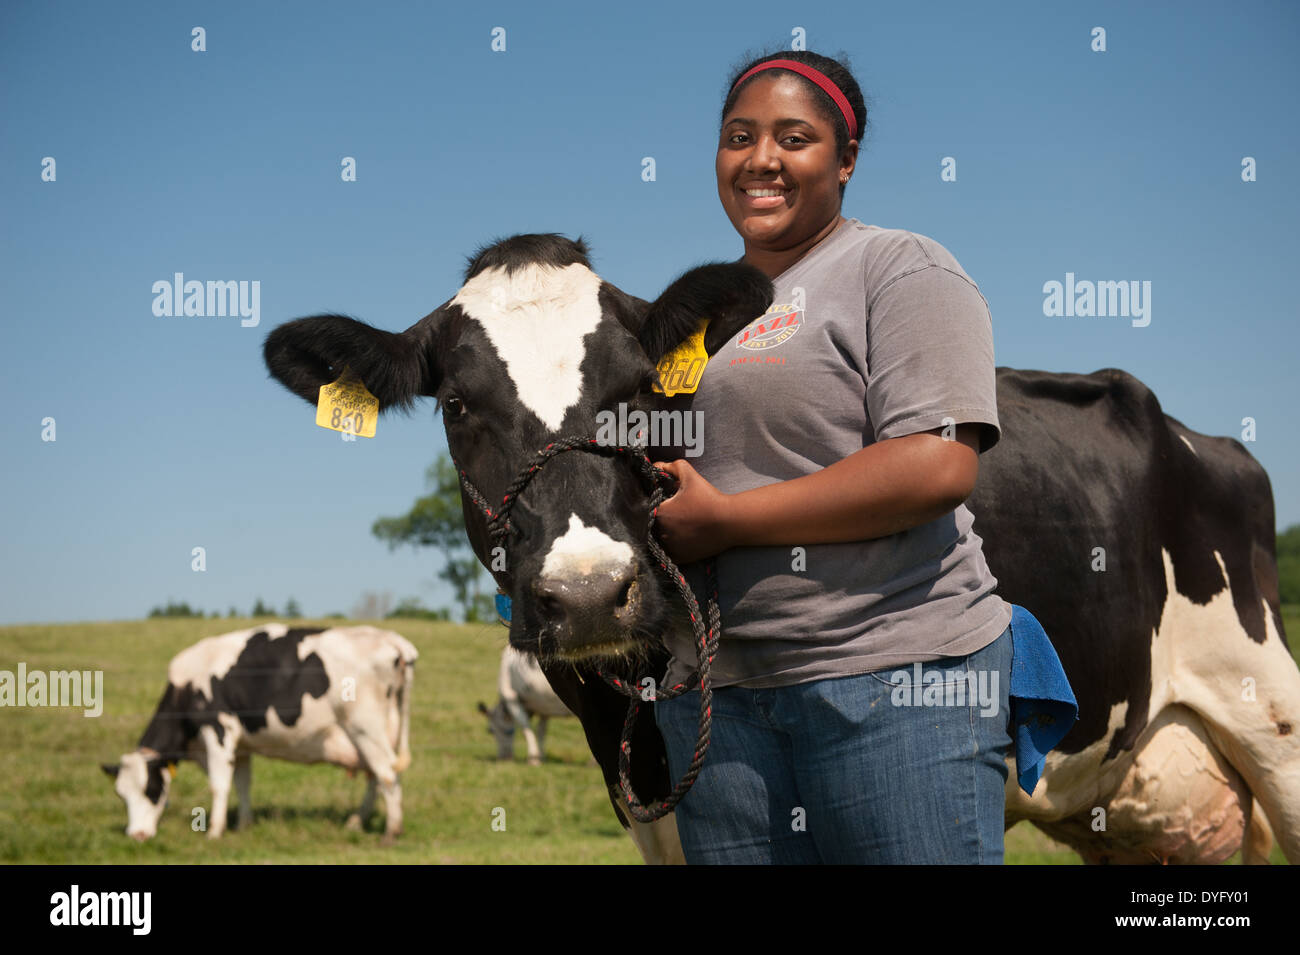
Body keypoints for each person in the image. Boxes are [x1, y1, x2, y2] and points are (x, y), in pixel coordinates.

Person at [651, 50, 1015, 864]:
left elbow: (936, 463)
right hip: (724, 703)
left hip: (894, 678)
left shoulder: (897, 266)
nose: (761, 160)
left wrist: (728, 521)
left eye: (794, 138)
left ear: (845, 161)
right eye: (738, 136)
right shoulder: (691, 316)